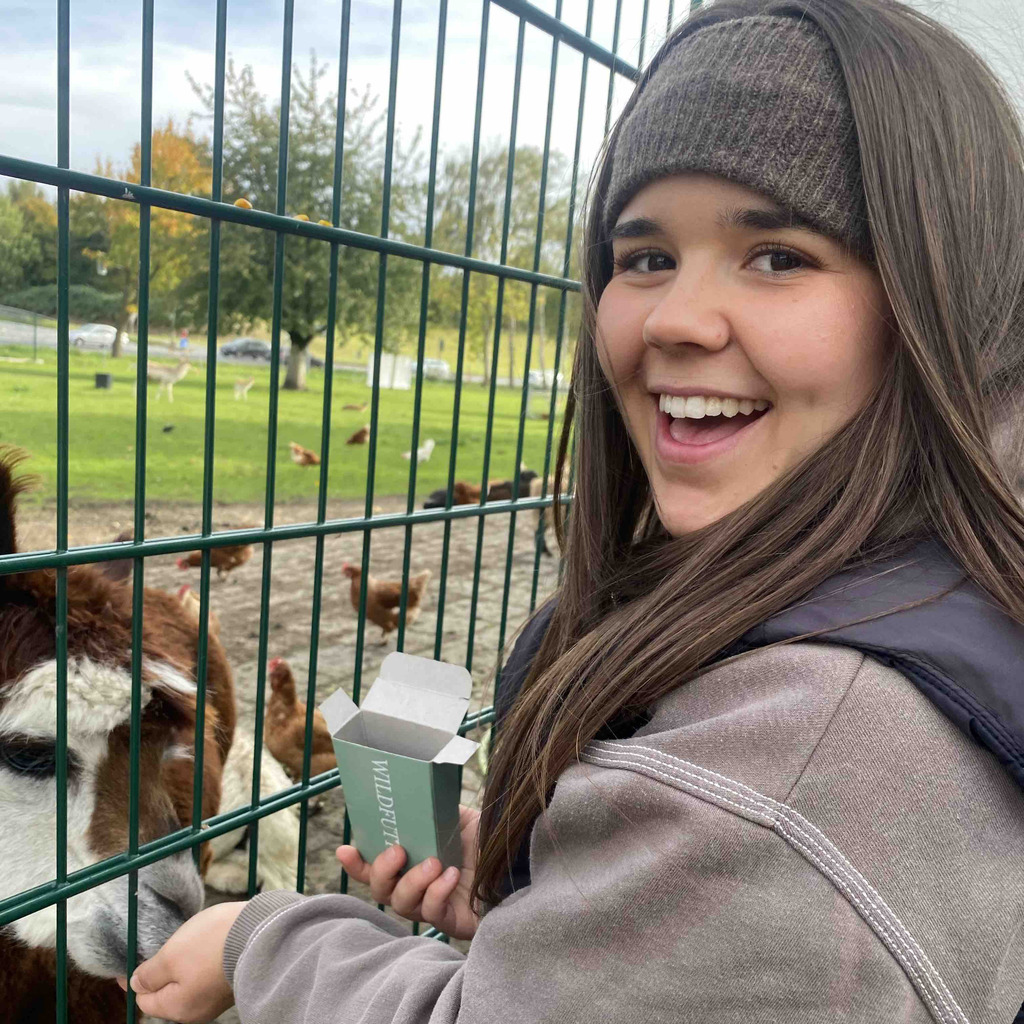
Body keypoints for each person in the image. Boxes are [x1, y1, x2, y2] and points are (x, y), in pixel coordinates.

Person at [120, 0, 1024, 1020]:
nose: (673, 319)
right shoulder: (946, 590)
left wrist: (259, 938)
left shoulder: (796, 765)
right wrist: (561, 884)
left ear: (944, 292)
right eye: (643, 257)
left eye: (777, 254)